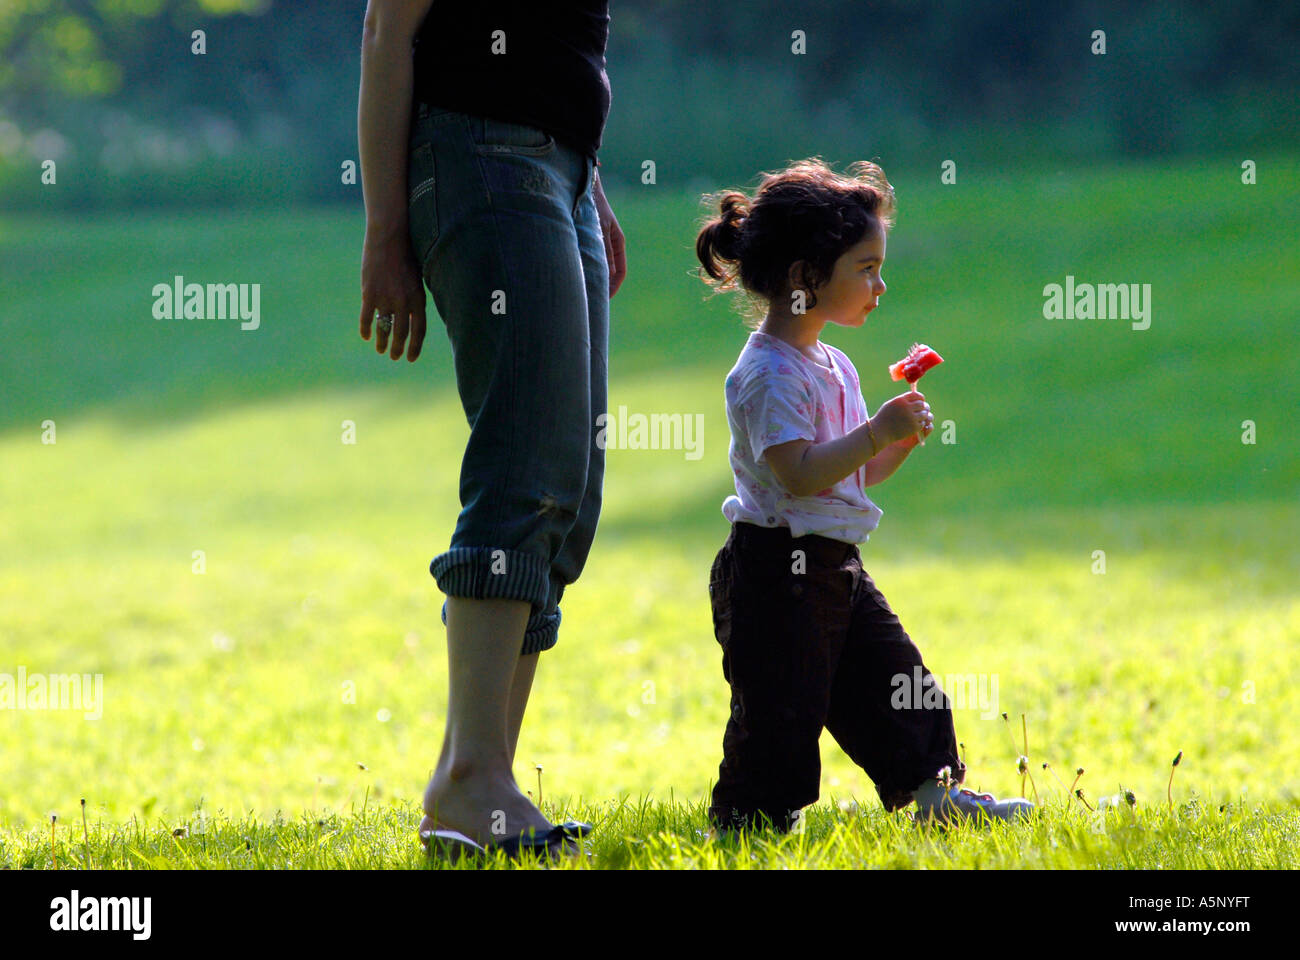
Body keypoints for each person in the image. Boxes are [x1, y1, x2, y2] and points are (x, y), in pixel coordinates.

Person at [356, 0, 625, 859]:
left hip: (561, 172)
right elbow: (386, 30)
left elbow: (555, 40)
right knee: (527, 463)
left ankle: (478, 786)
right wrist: (385, 232)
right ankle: (473, 776)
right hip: (480, 156)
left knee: (569, 488)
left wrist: (591, 185)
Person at [695, 158, 1032, 833]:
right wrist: (876, 431)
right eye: (865, 268)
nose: (880, 284)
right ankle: (752, 819)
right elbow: (797, 473)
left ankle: (934, 796)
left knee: (898, 679)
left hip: (834, 564)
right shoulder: (767, 373)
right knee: (781, 709)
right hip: (775, 569)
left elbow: (849, 475)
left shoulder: (833, 363)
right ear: (803, 278)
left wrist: (892, 445)